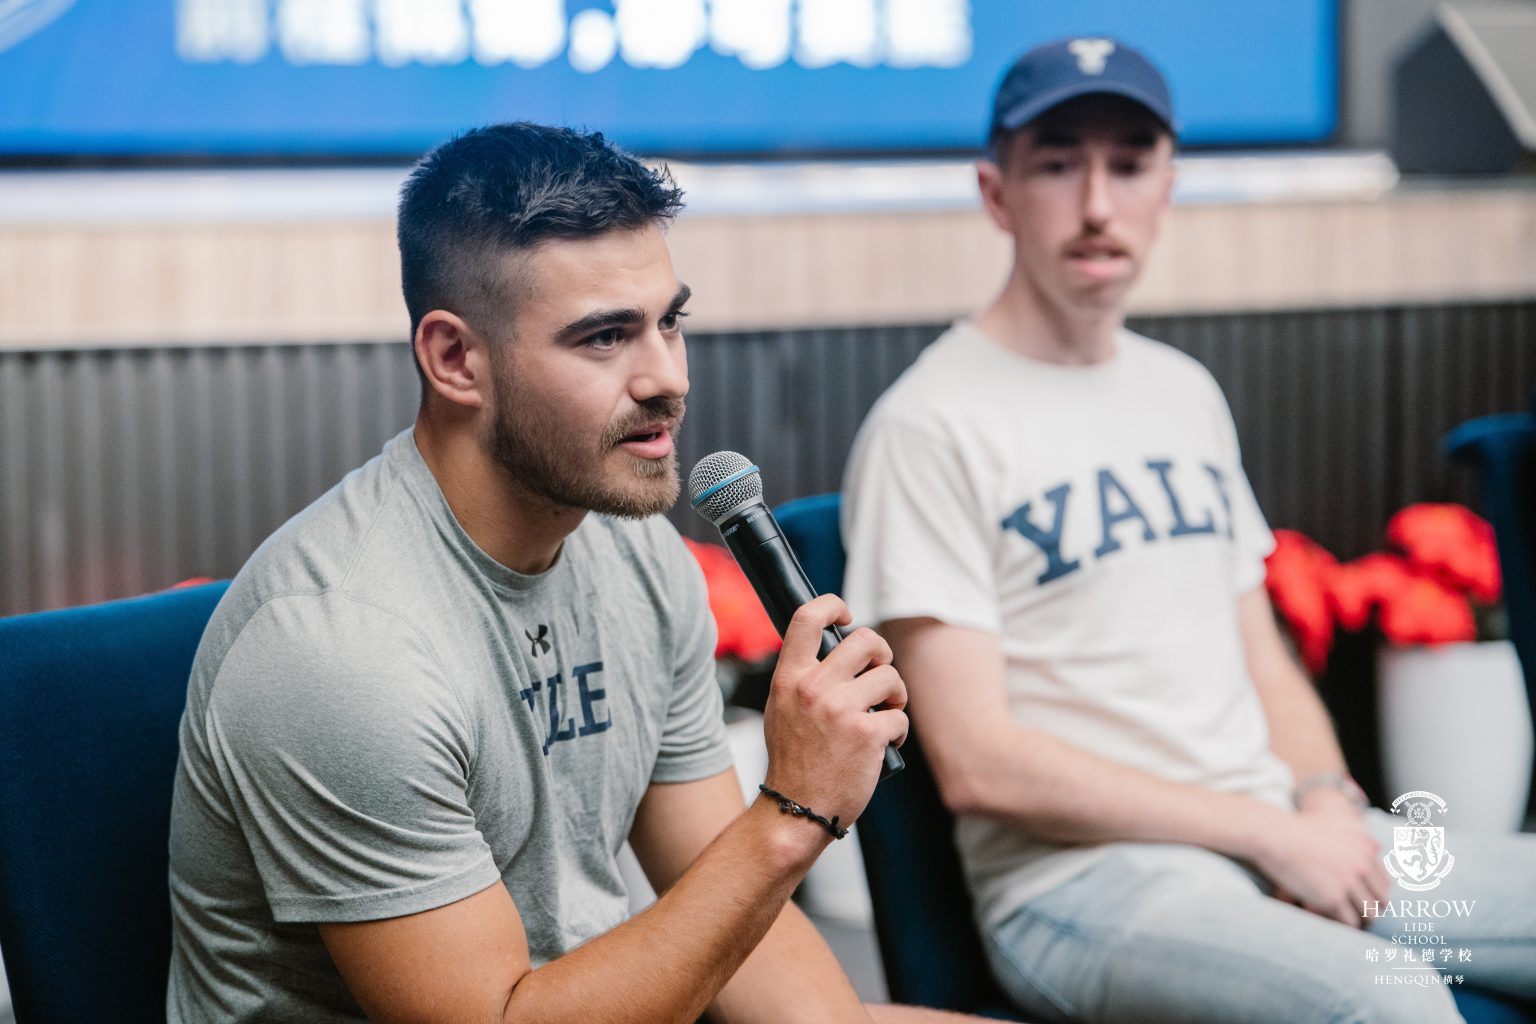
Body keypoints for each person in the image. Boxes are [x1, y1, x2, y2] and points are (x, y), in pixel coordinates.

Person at [166, 122, 972, 1024]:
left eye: (671, 321)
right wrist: (791, 812)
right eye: (604, 339)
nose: (666, 377)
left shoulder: (635, 553)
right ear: (455, 359)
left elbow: (731, 896)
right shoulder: (340, 648)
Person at [841, 37, 1536, 1024]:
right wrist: (1265, 832)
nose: (1097, 203)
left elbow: (1265, 659)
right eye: (1057, 164)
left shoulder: (1184, 392)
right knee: (1390, 1005)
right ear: (997, 194)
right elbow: (979, 760)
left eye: (1129, 164)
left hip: (1274, 828)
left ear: (1167, 186)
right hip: (1087, 888)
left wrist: (1326, 801)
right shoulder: (928, 423)